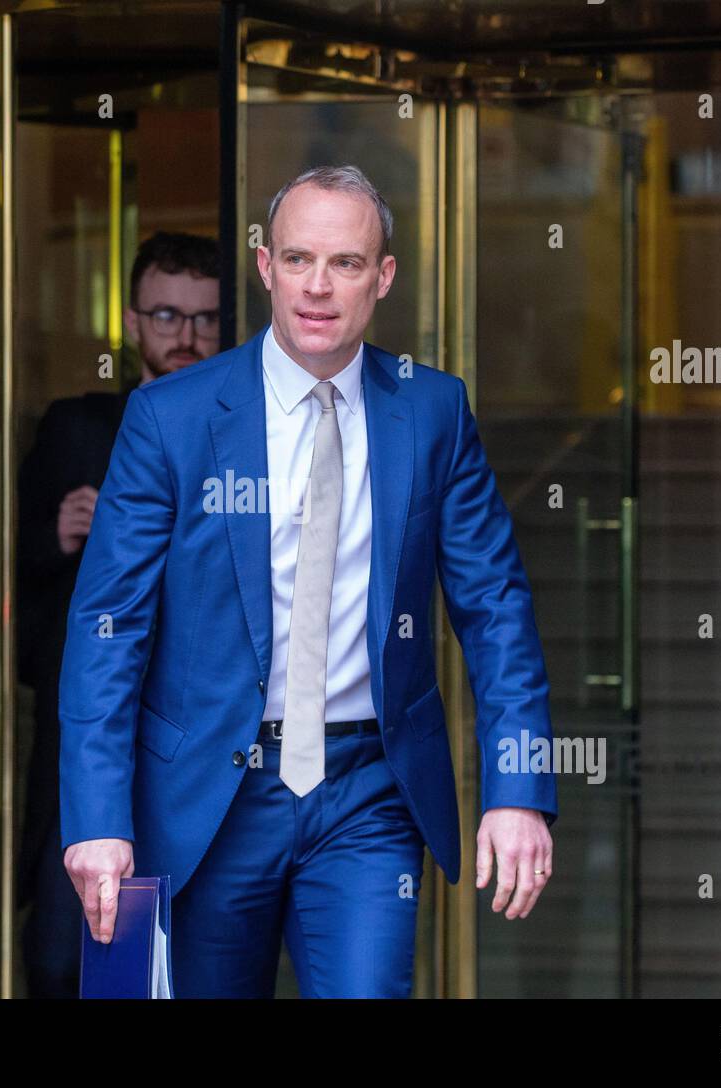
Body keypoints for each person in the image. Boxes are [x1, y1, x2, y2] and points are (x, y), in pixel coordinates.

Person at [60, 165, 558, 999]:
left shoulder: (433, 412)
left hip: (367, 793)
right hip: (206, 798)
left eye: (346, 263)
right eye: (297, 260)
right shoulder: (171, 419)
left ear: (384, 277)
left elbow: (495, 606)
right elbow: (108, 625)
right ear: (264, 267)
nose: (318, 287)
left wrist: (519, 788)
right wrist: (99, 820)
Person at [15, 230, 221, 998]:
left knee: (201, 952)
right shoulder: (77, 427)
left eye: (204, 318)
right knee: (63, 951)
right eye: (167, 315)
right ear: (132, 322)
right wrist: (57, 534)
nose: (186, 336)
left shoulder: (246, 428)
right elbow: (4, 571)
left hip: (208, 731)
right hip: (90, 728)